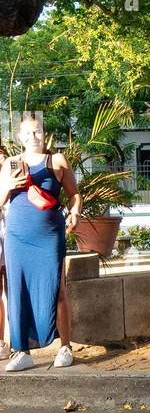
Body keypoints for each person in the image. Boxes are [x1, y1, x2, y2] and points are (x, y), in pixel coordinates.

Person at [0, 113, 81, 372]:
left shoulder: (56, 160)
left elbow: (74, 194)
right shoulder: (11, 163)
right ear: (19, 137)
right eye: (27, 133)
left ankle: (65, 347)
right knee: (17, 292)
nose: (33, 137)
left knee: (56, 290)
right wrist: (8, 186)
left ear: (43, 133)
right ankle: (21, 351)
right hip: (17, 237)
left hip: (49, 235)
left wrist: (75, 212)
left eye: (37, 131)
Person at [0, 144, 9, 360]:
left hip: (13, 236)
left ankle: (16, 343)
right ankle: (1, 342)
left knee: (13, 292)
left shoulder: (13, 170)